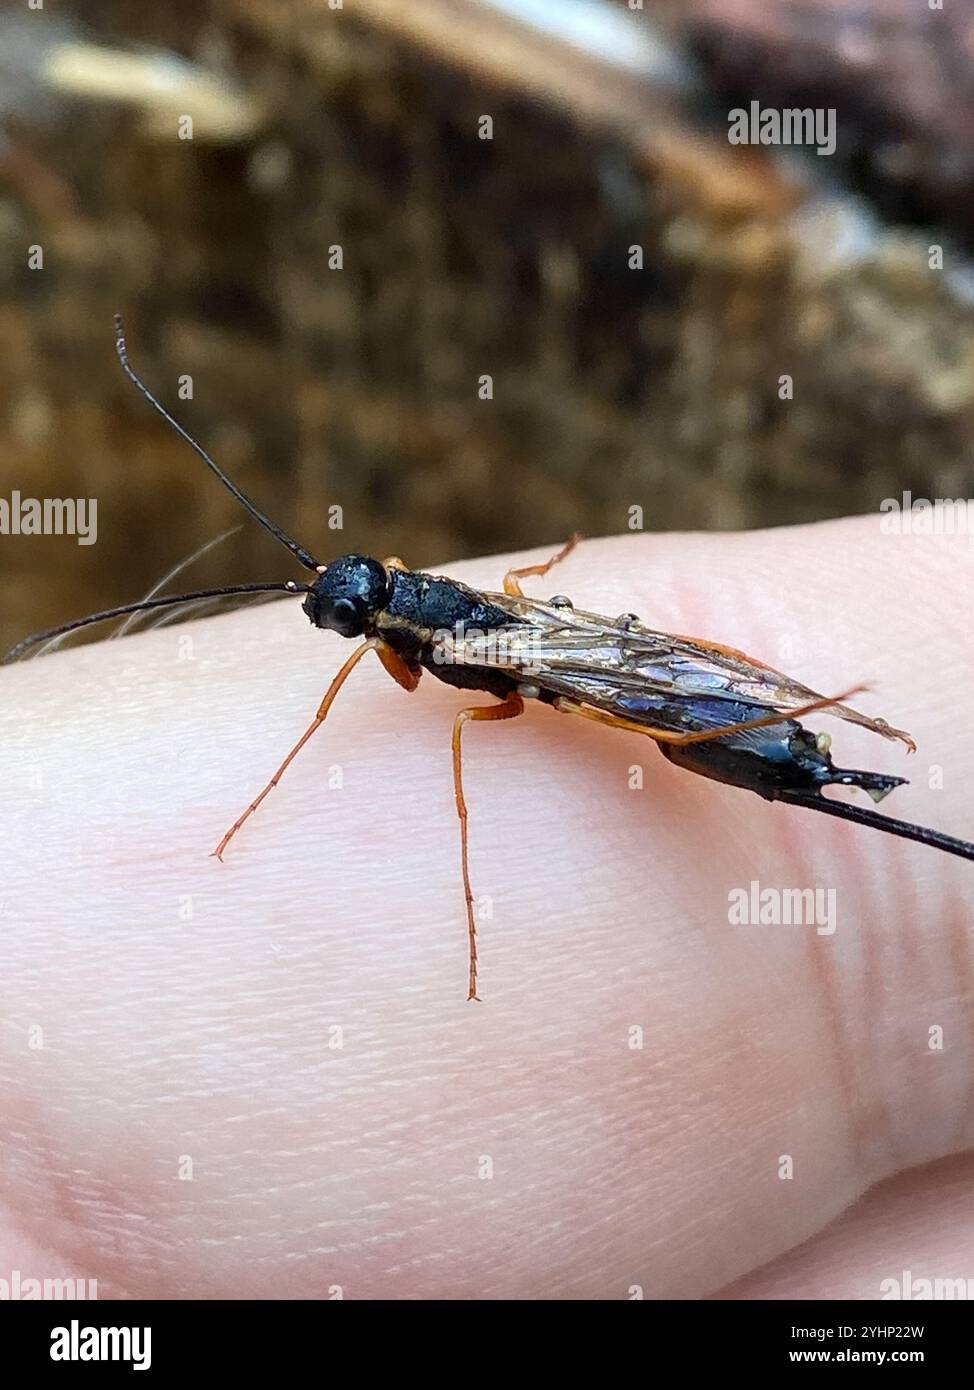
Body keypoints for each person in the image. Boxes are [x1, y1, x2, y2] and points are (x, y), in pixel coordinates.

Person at [2, 518, 972, 1299]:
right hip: (578, 649)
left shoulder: (433, 634)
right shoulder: (420, 601)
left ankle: (807, 755)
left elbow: (494, 662)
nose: (343, 621)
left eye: (349, 612)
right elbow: (501, 603)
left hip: (586, 673)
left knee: (623, 708)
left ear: (379, 604)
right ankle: (822, 758)